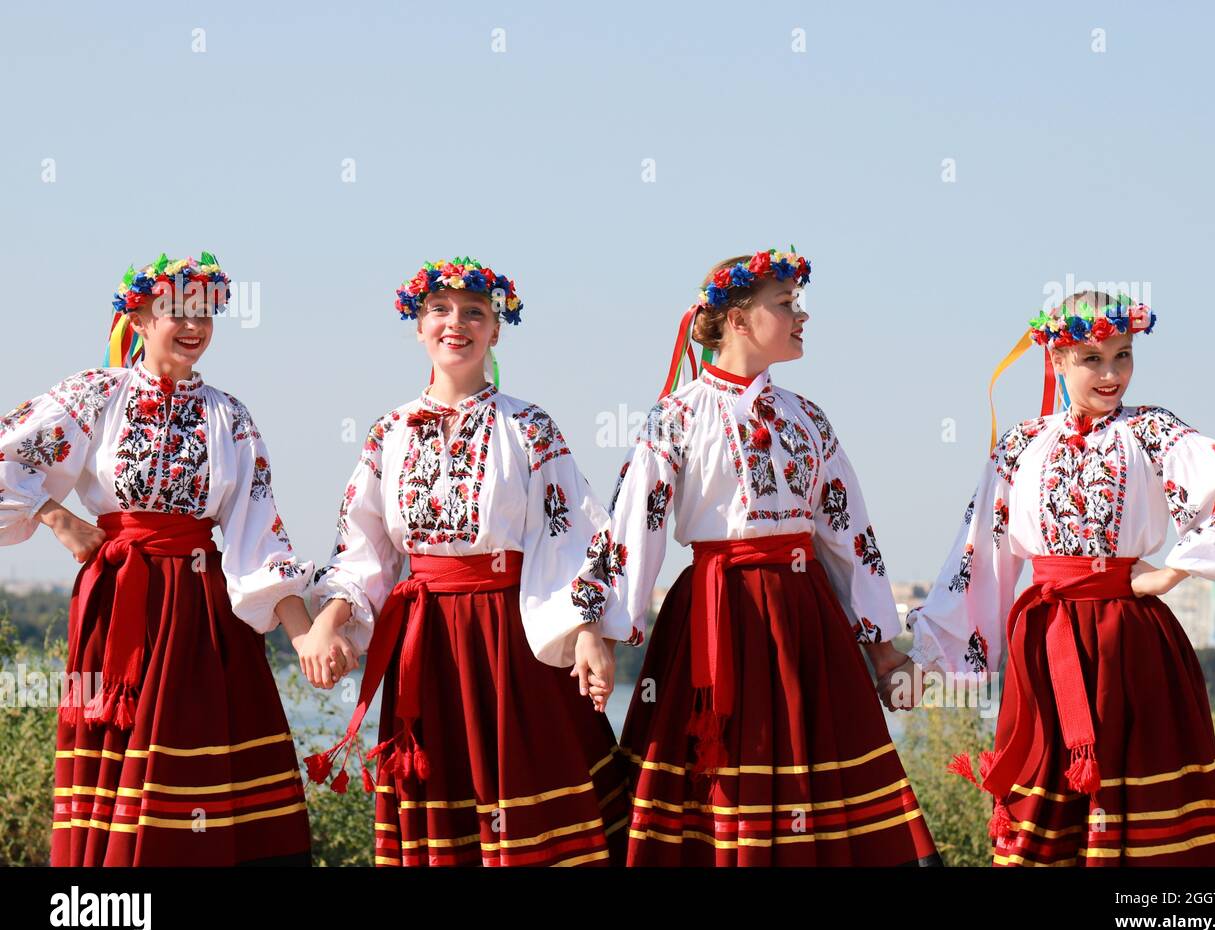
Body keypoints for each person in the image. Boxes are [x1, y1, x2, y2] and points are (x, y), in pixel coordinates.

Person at [884, 290, 1215, 866]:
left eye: (1123, 355)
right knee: (1047, 810)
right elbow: (979, 558)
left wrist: (1175, 571)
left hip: (1131, 645)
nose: (1111, 374)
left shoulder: (1153, 432)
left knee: (1139, 812)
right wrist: (922, 665)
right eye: (1092, 359)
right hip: (1046, 648)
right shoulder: (1021, 446)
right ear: (1056, 359)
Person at [601, 248, 942, 865]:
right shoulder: (675, 418)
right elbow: (634, 529)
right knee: (722, 778)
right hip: (715, 619)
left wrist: (884, 650)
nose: (801, 316)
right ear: (737, 318)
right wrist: (599, 632)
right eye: (785, 305)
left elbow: (849, 536)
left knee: (816, 775)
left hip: (804, 621)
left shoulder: (808, 419)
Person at [304, 256, 630, 866]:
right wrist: (328, 621)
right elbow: (364, 545)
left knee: (529, 801)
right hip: (424, 650)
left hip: (512, 641)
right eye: (440, 311)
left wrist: (588, 632)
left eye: (474, 313)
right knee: (444, 807)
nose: (457, 324)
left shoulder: (531, 427)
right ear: (418, 325)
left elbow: (576, 537)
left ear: (496, 329)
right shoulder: (389, 433)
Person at [0, 252, 318, 865]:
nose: (193, 325)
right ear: (139, 318)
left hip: (202, 615)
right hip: (120, 602)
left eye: (205, 313)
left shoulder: (231, 417)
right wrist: (58, 517)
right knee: (121, 770)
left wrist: (304, 634)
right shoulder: (96, 395)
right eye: (177, 311)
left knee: (197, 760)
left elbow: (260, 538)